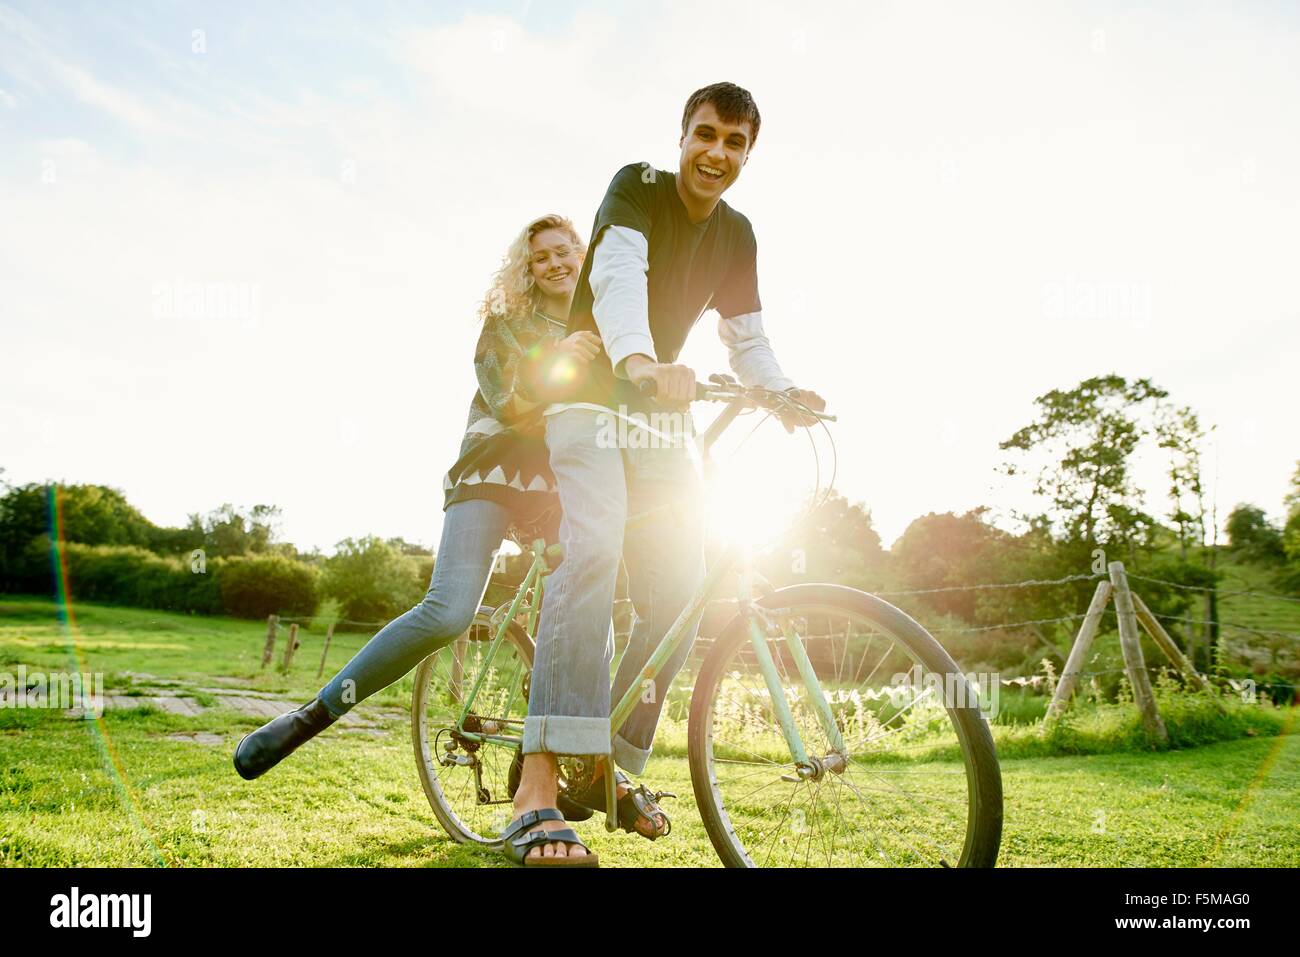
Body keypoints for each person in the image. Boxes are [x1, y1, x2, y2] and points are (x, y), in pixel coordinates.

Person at [504, 82, 827, 866]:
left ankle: (606, 760)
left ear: (749, 154)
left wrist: (781, 390)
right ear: (682, 136)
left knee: (683, 587)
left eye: (735, 144)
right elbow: (616, 278)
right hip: (589, 399)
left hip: (656, 412)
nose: (717, 154)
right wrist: (641, 359)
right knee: (597, 545)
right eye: (706, 135)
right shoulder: (636, 188)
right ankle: (535, 789)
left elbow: (746, 337)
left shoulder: (737, 234)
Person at [233, 214, 600, 782]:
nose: (554, 264)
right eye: (540, 258)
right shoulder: (509, 323)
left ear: (584, 253)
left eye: (563, 251)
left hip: (565, 481)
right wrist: (564, 357)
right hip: (493, 471)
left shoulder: (606, 320)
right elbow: (509, 399)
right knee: (448, 611)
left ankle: (553, 753)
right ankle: (313, 714)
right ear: (526, 272)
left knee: (582, 607)